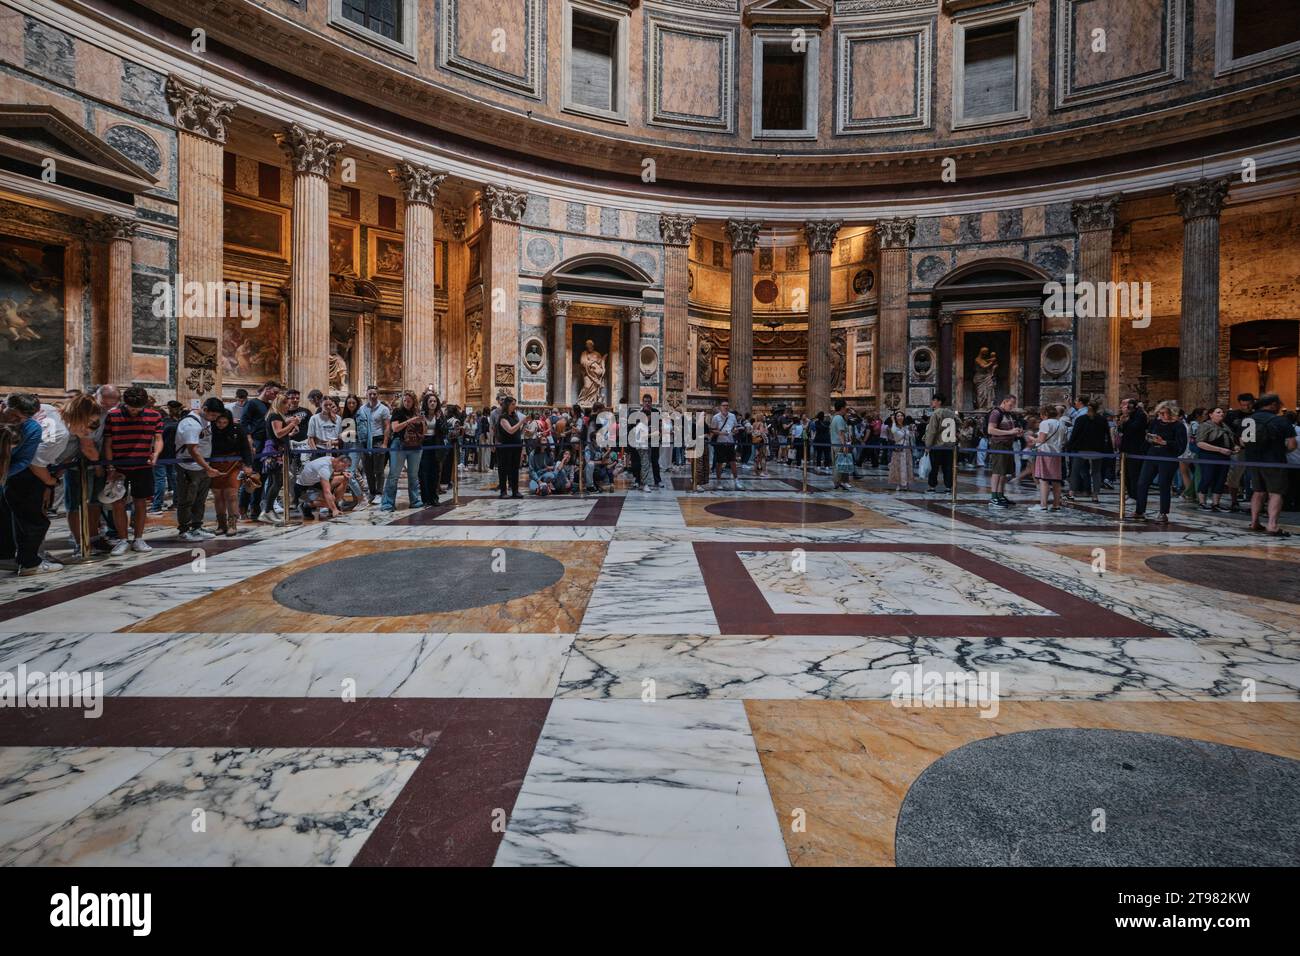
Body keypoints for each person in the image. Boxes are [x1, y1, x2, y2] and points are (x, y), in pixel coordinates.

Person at [0, 393, 62, 576]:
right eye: (13, 414)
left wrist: (2, 476)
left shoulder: (31, 428)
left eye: (22, 418)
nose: (16, 420)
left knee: (23, 517)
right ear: (4, 404)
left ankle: (26, 561)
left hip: (11, 475)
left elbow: (24, 460)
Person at [101, 385, 163, 555]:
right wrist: (110, 466)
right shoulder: (113, 416)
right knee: (118, 502)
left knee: (141, 502)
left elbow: (158, 438)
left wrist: (156, 454)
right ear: (125, 403)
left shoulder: (154, 415)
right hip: (119, 465)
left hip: (142, 465)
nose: (135, 411)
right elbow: (108, 442)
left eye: (138, 408)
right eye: (131, 408)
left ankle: (138, 539)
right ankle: (122, 539)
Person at [1241, 393, 1296, 537]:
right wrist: (1281, 450)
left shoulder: (1249, 419)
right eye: (1279, 404)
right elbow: (1292, 444)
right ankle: (1272, 525)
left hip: (1252, 460)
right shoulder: (1281, 421)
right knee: (1276, 493)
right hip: (1274, 461)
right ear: (1273, 404)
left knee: (1258, 491)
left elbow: (1243, 441)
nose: (1280, 407)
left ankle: (1254, 522)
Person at [1130, 399, 1187, 524]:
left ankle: (1163, 513)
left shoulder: (1179, 426)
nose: (1160, 416)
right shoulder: (1156, 423)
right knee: (1142, 483)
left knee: (1164, 484)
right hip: (1152, 455)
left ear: (1171, 413)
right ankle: (1140, 511)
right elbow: (1148, 435)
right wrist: (1149, 440)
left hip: (1167, 457)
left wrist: (1165, 442)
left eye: (1163, 413)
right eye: (1159, 413)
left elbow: (1180, 446)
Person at [174, 397, 224, 541]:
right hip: (189, 467)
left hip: (202, 466)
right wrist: (208, 468)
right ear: (205, 409)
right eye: (213, 415)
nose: (214, 419)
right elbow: (193, 450)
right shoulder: (191, 424)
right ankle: (184, 530)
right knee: (186, 499)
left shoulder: (205, 420)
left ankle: (197, 527)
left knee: (200, 499)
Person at [210, 407, 254, 536]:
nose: (222, 425)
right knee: (218, 495)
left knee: (231, 494)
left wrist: (248, 465)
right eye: (219, 423)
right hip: (215, 465)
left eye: (225, 422)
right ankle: (221, 524)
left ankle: (232, 524)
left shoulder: (237, 429)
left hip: (233, 464)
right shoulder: (210, 430)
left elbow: (245, 447)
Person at [238, 382, 278, 520]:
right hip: (256, 443)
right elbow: (244, 422)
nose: (275, 395)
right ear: (267, 390)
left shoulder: (271, 406)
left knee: (263, 477)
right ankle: (242, 509)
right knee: (251, 477)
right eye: (274, 392)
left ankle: (255, 509)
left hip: (267, 445)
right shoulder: (252, 403)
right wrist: (249, 441)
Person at [382, 390, 423, 512]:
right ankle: (388, 503)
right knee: (394, 475)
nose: (406, 403)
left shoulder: (417, 412)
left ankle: (415, 500)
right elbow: (395, 428)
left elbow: (423, 430)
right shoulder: (398, 411)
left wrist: (421, 420)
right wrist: (410, 421)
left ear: (413, 401)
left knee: (414, 475)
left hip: (415, 445)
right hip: (399, 445)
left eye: (409, 401)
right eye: (405, 400)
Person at [1065, 400, 1111, 503]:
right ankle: (1095, 496)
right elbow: (1107, 435)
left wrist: (1069, 446)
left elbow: (1075, 434)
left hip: (1082, 448)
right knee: (1096, 472)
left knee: (1075, 471)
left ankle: (1071, 493)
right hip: (1098, 449)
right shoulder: (1102, 419)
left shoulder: (1081, 419)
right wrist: (1109, 449)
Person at [1195, 407, 1236, 511]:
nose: (1221, 414)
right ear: (1211, 414)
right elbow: (1200, 443)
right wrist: (1219, 449)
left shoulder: (1225, 426)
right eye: (1218, 412)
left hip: (1224, 457)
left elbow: (1230, 440)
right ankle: (1202, 502)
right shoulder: (1205, 426)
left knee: (1220, 479)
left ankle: (1216, 503)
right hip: (1209, 456)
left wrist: (1234, 447)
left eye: (1222, 412)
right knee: (1207, 478)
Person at [985, 395, 1023, 507]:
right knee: (997, 471)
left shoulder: (1008, 414)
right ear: (1004, 402)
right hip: (999, 445)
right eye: (1010, 405)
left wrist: (1017, 432)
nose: (1012, 407)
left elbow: (1009, 429)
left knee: (1004, 472)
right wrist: (1010, 432)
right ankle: (993, 497)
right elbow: (991, 430)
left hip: (1008, 445)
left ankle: (1000, 495)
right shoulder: (996, 413)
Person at [1027, 404, 1065, 512]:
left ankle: (1043, 505)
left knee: (1044, 480)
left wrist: (1031, 438)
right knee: (1056, 480)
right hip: (1056, 454)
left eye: (1042, 413)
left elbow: (1041, 439)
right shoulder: (1060, 423)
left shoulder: (1045, 423)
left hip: (1045, 452)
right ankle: (1056, 505)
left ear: (1046, 414)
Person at [356, 386, 390, 505]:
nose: (372, 396)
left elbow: (387, 426)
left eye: (374, 394)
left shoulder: (383, 409)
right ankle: (372, 492)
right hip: (365, 441)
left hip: (378, 440)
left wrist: (385, 443)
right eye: (370, 394)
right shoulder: (362, 409)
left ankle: (379, 493)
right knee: (367, 469)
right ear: (366, 394)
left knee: (379, 469)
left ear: (378, 394)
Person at [296, 451, 350, 520]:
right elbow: (326, 491)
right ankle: (305, 505)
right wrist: (334, 509)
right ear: (339, 461)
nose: (343, 469)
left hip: (315, 484)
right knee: (331, 500)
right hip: (304, 489)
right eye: (343, 466)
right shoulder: (324, 468)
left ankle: (335, 504)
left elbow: (335, 470)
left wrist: (343, 472)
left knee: (344, 478)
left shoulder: (332, 459)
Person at [151, 401, 183, 513]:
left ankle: (156, 506)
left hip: (160, 455)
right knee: (174, 480)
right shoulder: (179, 423)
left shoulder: (163, 423)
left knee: (160, 480)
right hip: (174, 455)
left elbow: (155, 439)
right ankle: (176, 503)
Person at [923, 393, 957, 494]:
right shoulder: (950, 413)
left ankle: (932, 486)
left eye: (934, 400)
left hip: (937, 445)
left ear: (939, 402)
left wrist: (928, 446)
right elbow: (959, 421)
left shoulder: (936, 413)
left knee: (934, 467)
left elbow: (932, 432)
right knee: (948, 468)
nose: (932, 402)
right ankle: (948, 487)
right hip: (949, 445)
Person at [417, 392, 443, 507]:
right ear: (426, 403)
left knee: (435, 472)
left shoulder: (440, 415)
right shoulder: (421, 415)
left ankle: (434, 497)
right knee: (424, 472)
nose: (432, 403)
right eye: (430, 401)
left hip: (436, 443)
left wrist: (439, 420)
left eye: (434, 401)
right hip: (424, 443)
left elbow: (444, 431)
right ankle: (425, 498)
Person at [495, 395, 524, 498]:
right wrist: (522, 421)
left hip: (516, 446)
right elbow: (510, 430)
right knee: (504, 469)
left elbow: (517, 430)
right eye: (512, 404)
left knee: (515, 469)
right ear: (507, 405)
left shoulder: (514, 416)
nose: (514, 406)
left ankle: (515, 491)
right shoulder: (503, 417)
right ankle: (503, 492)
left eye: (515, 404)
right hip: (505, 447)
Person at [710, 400, 740, 489]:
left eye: (727, 405)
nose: (726, 407)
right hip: (720, 443)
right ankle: (718, 481)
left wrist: (735, 430)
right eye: (724, 405)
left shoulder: (732, 416)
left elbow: (735, 427)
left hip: (730, 442)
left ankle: (736, 480)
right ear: (720, 407)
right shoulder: (716, 417)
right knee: (719, 463)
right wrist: (721, 433)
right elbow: (712, 430)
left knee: (733, 462)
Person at [829, 399, 853, 490]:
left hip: (835, 444)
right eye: (845, 407)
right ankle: (838, 482)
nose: (846, 409)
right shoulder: (839, 418)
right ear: (842, 408)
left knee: (839, 463)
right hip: (839, 444)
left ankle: (841, 482)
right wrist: (844, 445)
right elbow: (841, 433)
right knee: (840, 463)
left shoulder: (834, 418)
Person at [887, 411, 913, 493]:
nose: (900, 417)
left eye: (901, 415)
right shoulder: (894, 426)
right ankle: (898, 483)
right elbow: (894, 432)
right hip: (898, 449)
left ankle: (906, 483)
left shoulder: (906, 427)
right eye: (898, 416)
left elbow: (910, 437)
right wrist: (893, 421)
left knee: (907, 466)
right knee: (898, 467)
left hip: (907, 449)